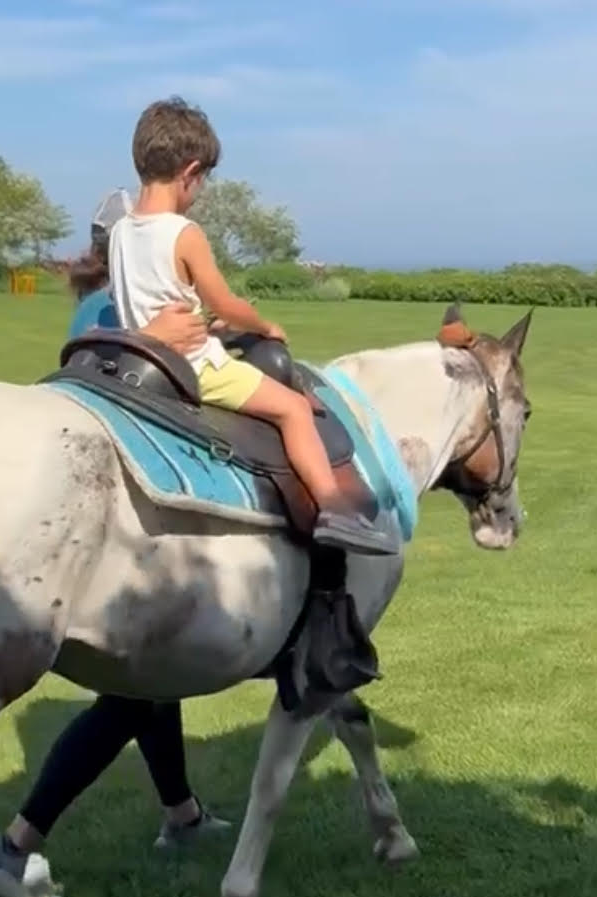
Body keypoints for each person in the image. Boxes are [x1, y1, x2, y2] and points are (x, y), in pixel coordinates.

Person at [0, 192, 229, 897]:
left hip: (105, 524)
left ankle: (180, 813)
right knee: (135, 690)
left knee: (154, 682)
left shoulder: (98, 311)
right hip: (124, 530)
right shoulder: (122, 317)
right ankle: (16, 843)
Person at [107, 97, 394, 557]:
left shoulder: (122, 230)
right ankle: (335, 506)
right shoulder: (184, 233)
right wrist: (264, 323)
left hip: (145, 358)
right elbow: (225, 301)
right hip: (194, 367)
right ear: (191, 171)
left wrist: (206, 321)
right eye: (201, 182)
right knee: (293, 409)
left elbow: (154, 302)